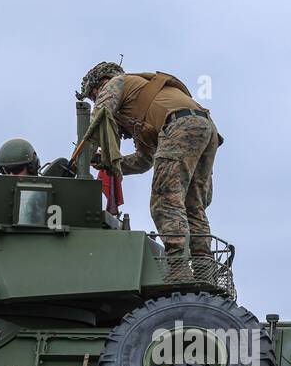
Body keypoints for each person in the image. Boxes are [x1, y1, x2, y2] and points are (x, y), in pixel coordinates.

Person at [78, 62, 220, 256]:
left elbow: (101, 115)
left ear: (102, 82)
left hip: (179, 125)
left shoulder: (115, 83)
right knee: (193, 204)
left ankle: (178, 266)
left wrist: (81, 159)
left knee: (165, 200)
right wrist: (111, 163)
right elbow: (145, 160)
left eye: (94, 95)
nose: (96, 100)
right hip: (206, 129)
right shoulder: (142, 101)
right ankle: (202, 262)